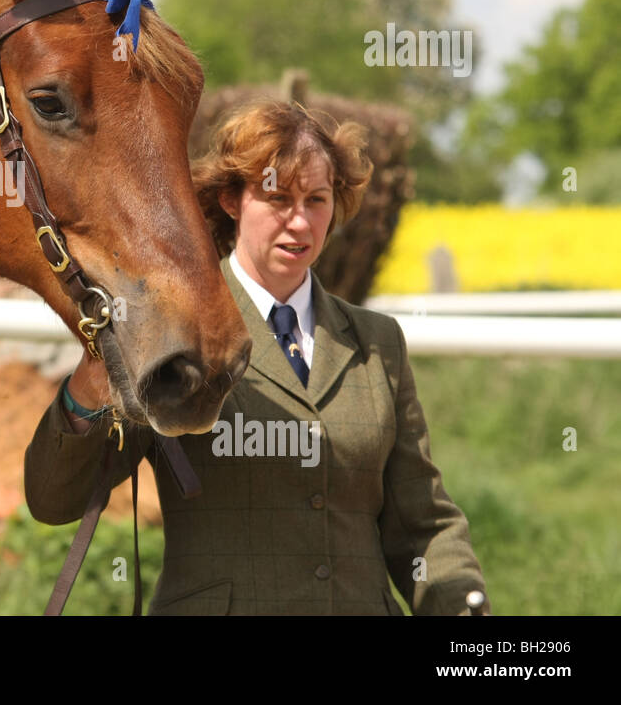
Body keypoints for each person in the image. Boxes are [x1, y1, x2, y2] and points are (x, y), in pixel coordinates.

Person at [24, 98, 489, 615]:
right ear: (230, 199)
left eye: (316, 200)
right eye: (278, 198)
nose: (299, 223)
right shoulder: (172, 329)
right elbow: (54, 498)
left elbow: (422, 524)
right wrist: (92, 384)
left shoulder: (379, 343)